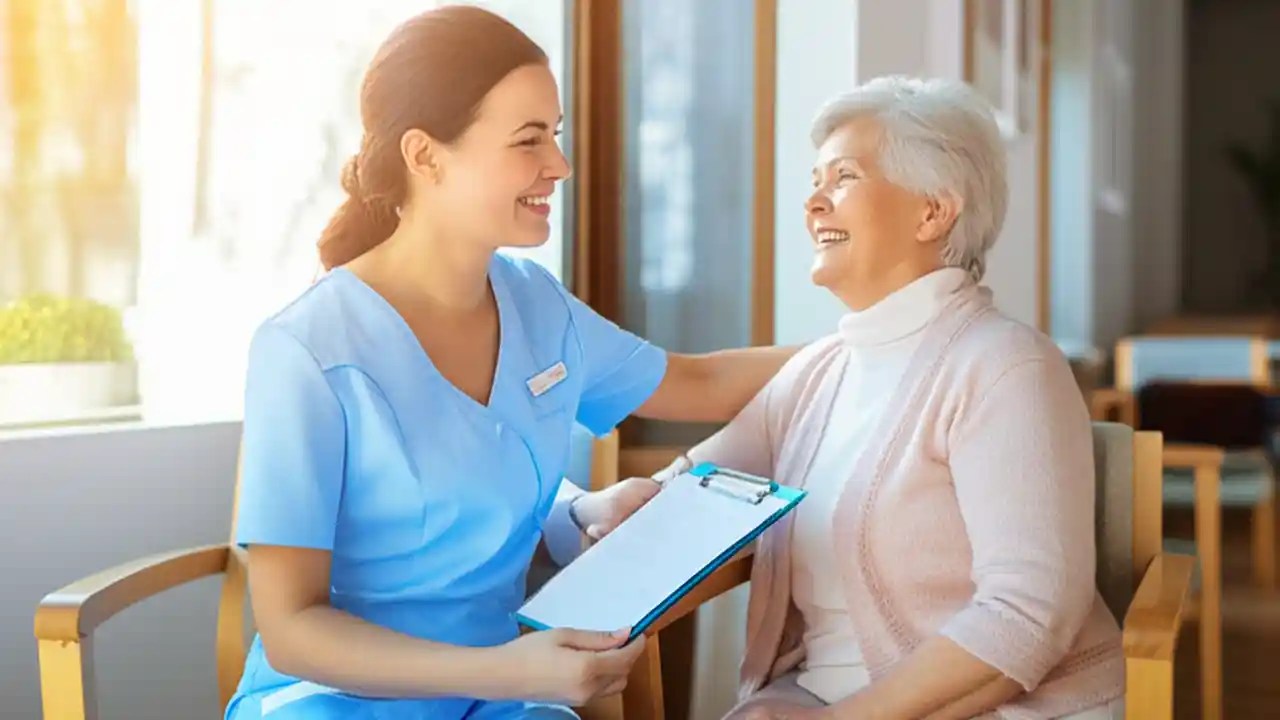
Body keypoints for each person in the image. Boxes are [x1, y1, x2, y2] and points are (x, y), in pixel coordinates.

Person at [224, 7, 795, 719]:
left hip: (501, 695)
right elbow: (290, 631)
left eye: (555, 135)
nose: (559, 166)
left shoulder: (538, 307)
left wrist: (882, 334)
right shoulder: (306, 350)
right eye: (529, 140)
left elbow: (697, 381)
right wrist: (505, 672)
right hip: (330, 698)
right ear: (425, 156)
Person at [646, 76, 1125, 719]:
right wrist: (608, 507)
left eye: (843, 177)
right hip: (819, 700)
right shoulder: (818, 374)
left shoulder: (1007, 365)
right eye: (815, 180)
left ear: (933, 212)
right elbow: (682, 493)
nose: (813, 202)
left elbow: (1027, 614)